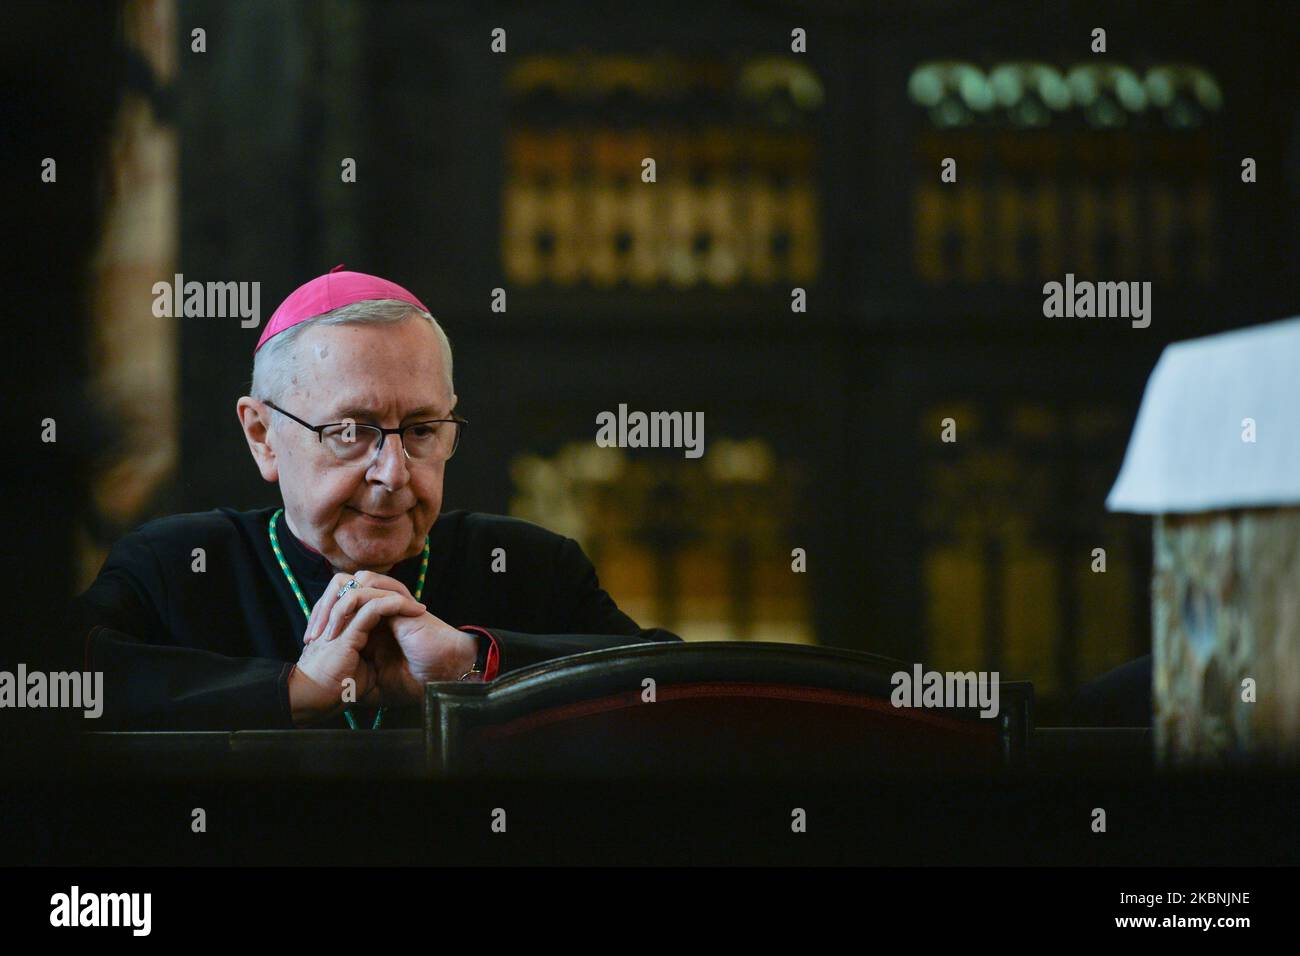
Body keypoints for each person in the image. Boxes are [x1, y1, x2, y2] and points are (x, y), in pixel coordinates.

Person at [72, 267, 680, 730]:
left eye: (420, 430)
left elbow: (692, 687)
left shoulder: (530, 567)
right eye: (350, 432)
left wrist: (474, 666)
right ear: (263, 436)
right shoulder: (176, 567)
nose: (393, 473)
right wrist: (291, 688)